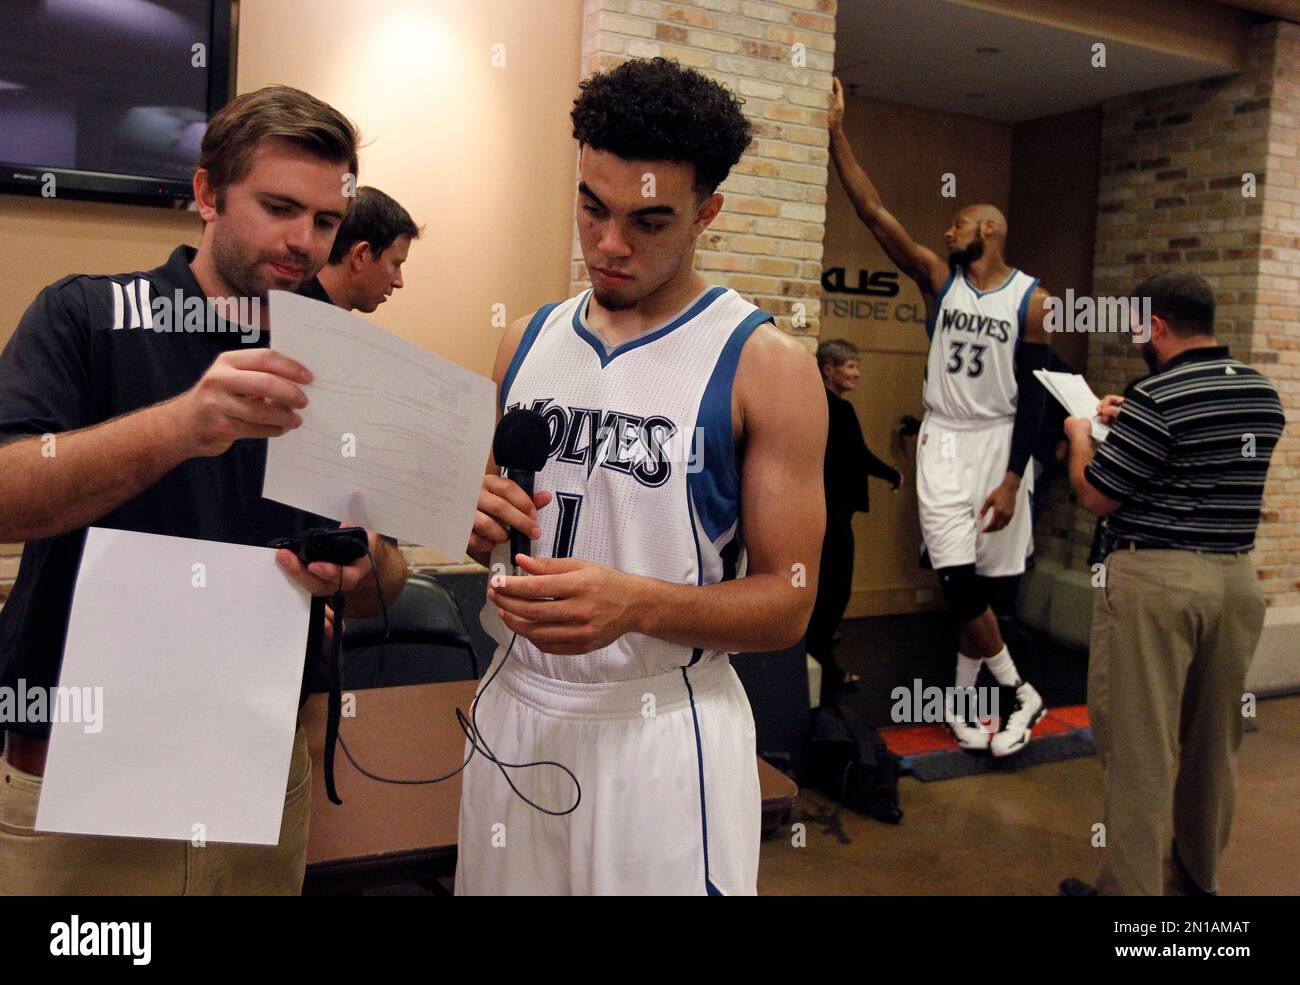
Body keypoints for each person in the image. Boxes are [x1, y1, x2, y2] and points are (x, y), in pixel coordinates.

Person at [0, 85, 408, 895]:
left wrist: (365, 572)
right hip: (81, 790)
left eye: (326, 222)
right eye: (279, 207)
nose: (303, 242)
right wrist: (182, 424)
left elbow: (385, 575)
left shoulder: (340, 364)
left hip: (257, 782)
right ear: (205, 195)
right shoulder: (85, 315)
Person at [459, 57, 827, 895]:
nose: (610, 243)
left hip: (659, 723)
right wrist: (470, 523)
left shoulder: (765, 366)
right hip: (514, 704)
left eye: (649, 221)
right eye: (592, 207)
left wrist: (638, 603)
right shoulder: (524, 341)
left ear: (708, 214)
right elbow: (485, 529)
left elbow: (790, 599)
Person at [828, 77, 1053, 756]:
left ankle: (961, 701)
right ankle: (1021, 691)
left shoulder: (1031, 299)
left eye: (957, 223)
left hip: (1000, 442)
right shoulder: (937, 277)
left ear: (986, 231)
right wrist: (836, 133)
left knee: (980, 592)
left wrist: (1014, 477)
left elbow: (1038, 394)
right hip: (945, 440)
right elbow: (872, 212)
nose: (945, 230)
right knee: (955, 580)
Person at [1060, 272, 1284, 896]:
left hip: (1157, 583)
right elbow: (1200, 452)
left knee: (1139, 748)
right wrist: (1129, 421)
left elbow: (1098, 495)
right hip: (1235, 582)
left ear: (1156, 326)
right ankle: (1197, 878)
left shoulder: (1159, 396)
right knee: (1215, 741)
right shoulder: (1261, 393)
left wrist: (1083, 438)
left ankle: (1129, 898)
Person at [807, 338, 901, 700]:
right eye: (850, 366)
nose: (857, 373)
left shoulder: (819, 406)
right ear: (828, 370)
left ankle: (823, 664)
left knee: (827, 591)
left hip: (824, 513)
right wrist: (892, 473)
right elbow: (859, 456)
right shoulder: (839, 411)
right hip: (832, 517)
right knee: (835, 592)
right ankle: (826, 670)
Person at [301, 185, 420, 312]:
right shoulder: (299, 321)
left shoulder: (297, 307)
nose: (399, 282)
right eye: (395, 264)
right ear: (360, 256)